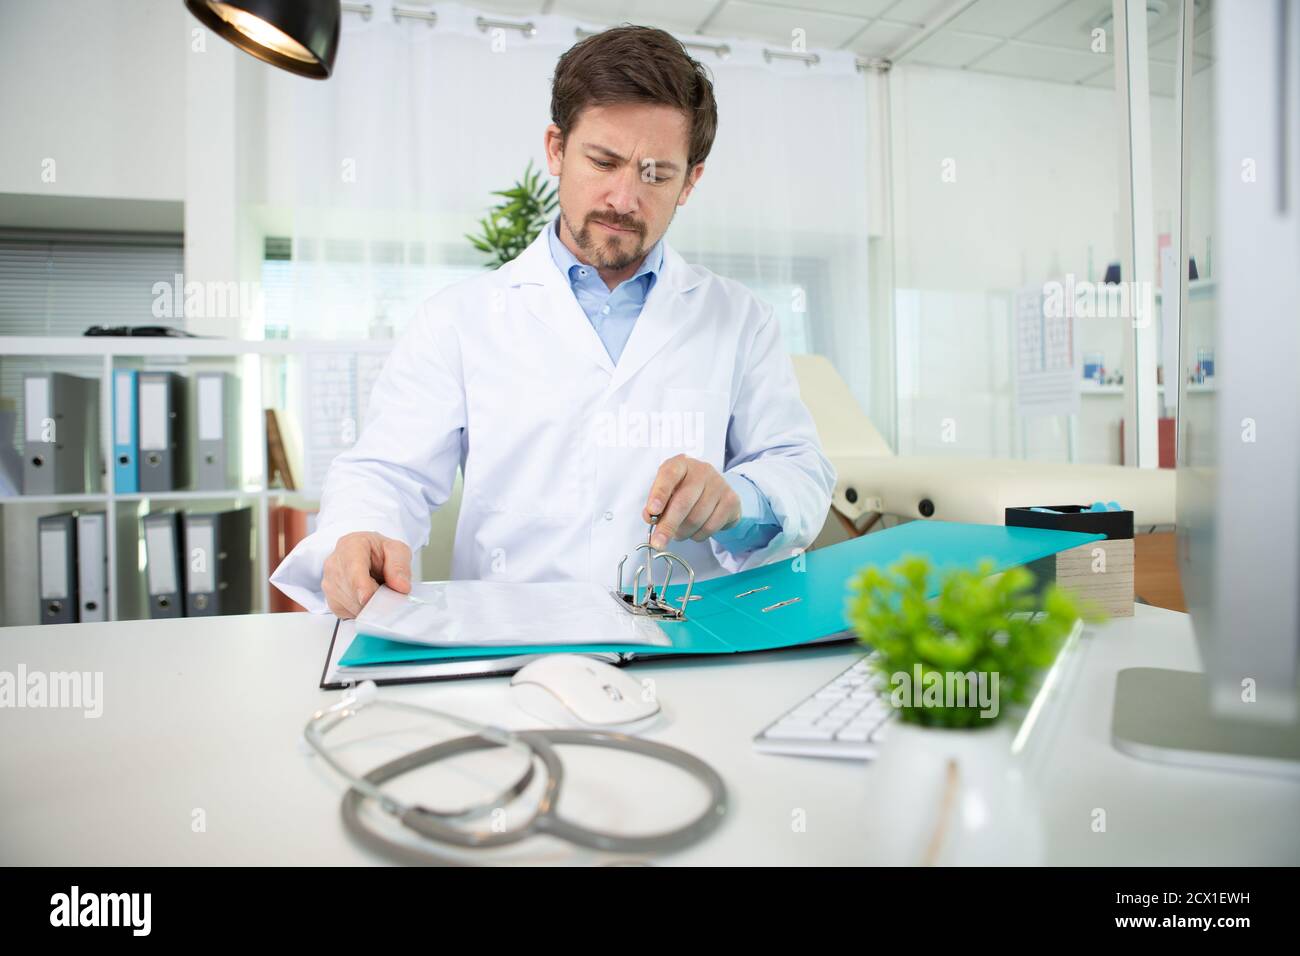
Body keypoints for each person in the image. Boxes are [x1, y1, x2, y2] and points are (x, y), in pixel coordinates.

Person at [271, 25, 835, 619]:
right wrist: (360, 533)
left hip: (687, 640)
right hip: (508, 645)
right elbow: (388, 473)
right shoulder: (458, 321)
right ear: (556, 150)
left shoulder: (740, 320)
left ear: (690, 181)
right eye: (603, 161)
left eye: (656, 174)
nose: (623, 198)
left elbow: (799, 469)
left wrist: (737, 500)